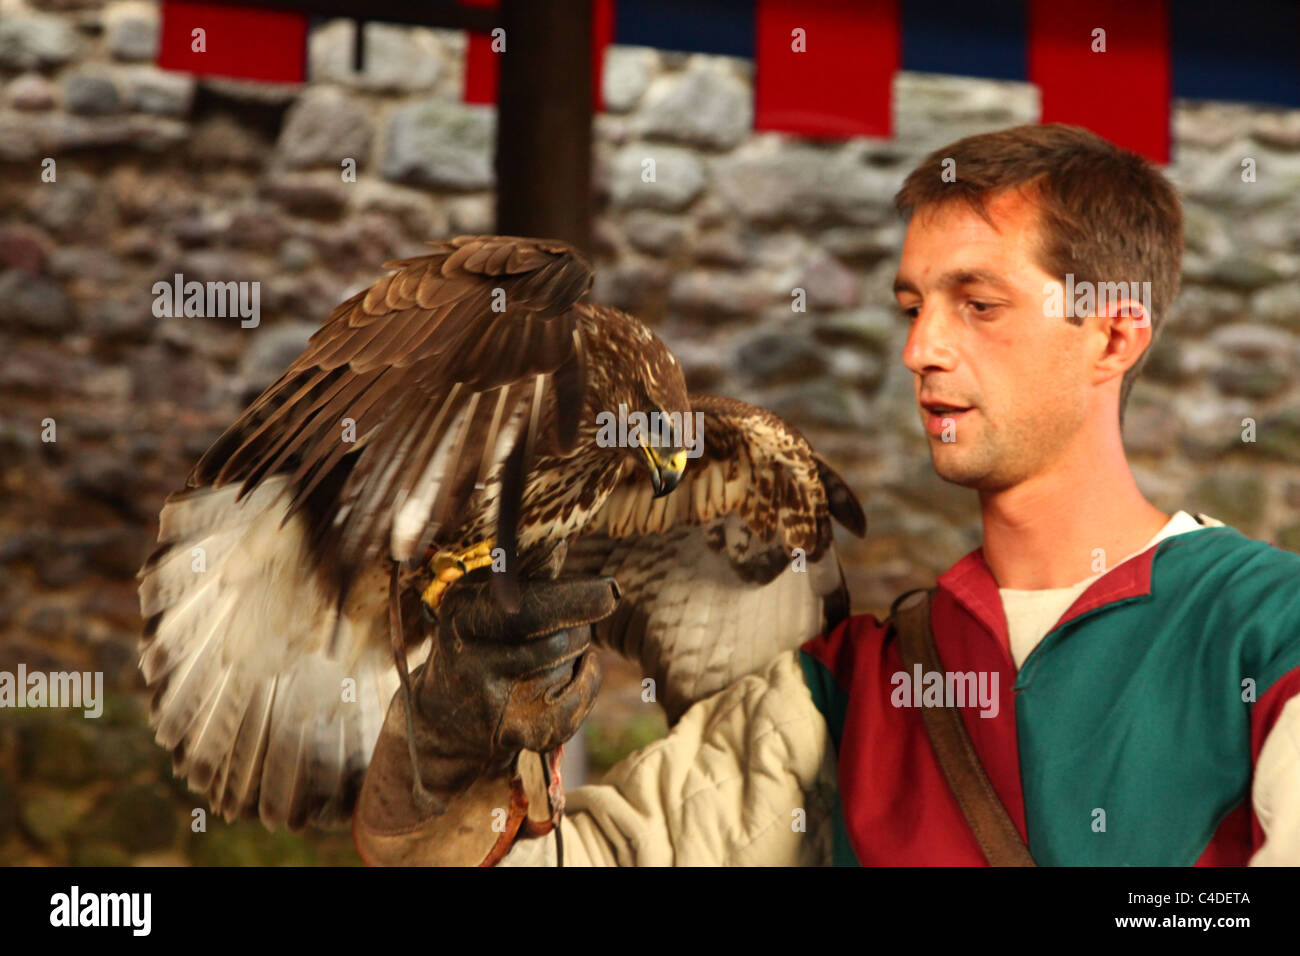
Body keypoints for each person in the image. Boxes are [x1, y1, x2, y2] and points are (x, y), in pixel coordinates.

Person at [353, 123, 1300, 866]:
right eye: (911, 307)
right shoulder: (846, 690)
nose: (920, 349)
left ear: (1114, 337)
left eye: (978, 303)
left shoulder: (1269, 633)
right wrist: (447, 742)